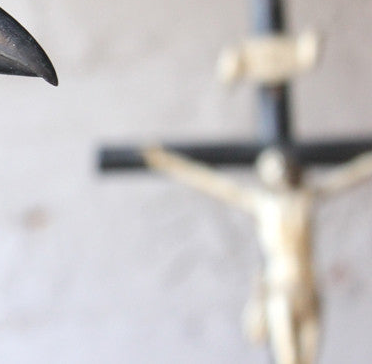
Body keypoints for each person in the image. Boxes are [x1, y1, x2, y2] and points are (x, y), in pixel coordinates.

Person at [143, 146, 372, 364]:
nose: (280, 172)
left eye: (283, 166)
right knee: (288, 358)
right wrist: (167, 162)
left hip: (308, 286)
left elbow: (350, 175)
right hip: (279, 288)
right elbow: (213, 184)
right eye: (273, 167)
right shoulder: (262, 203)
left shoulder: (305, 198)